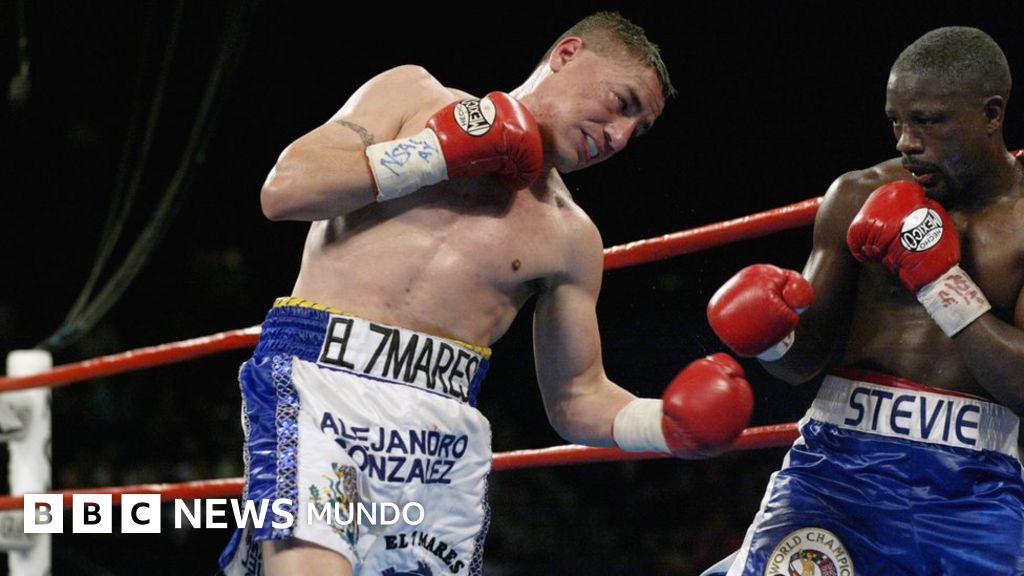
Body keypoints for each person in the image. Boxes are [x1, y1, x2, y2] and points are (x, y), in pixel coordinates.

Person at [219, 12, 755, 576]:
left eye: (637, 131)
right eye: (622, 103)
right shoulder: (412, 94)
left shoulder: (571, 237)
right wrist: (435, 153)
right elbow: (285, 191)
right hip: (321, 384)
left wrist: (667, 425)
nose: (619, 137)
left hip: (440, 438)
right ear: (568, 54)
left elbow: (577, 395)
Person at [702, 26, 1024, 575]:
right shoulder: (857, 195)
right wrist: (771, 338)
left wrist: (938, 283)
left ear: (991, 115)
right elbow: (804, 360)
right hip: (838, 470)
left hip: (978, 489)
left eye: (928, 121)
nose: (906, 141)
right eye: (897, 121)